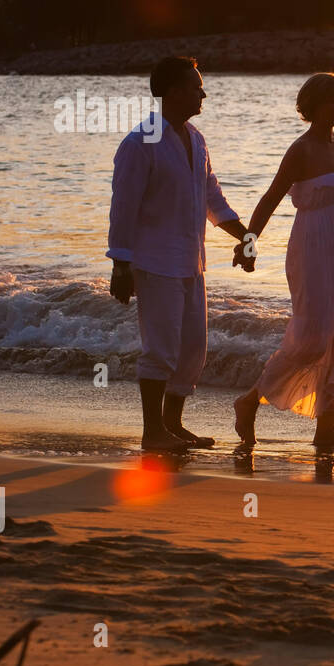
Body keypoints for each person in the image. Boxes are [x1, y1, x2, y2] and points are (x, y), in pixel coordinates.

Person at [107, 56, 250, 451]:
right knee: (162, 348)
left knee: (192, 350)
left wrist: (244, 236)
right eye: (194, 86)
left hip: (192, 261)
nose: (202, 92)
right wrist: (121, 264)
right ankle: (152, 432)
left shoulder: (197, 139)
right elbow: (124, 207)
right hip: (154, 263)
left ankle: (172, 425)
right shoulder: (140, 143)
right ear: (172, 92)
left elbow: (212, 198)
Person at [232, 73, 334, 448]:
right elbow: (270, 198)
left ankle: (325, 428)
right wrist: (248, 242)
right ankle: (249, 401)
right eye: (333, 101)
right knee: (312, 337)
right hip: (312, 249)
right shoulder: (301, 149)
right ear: (313, 105)